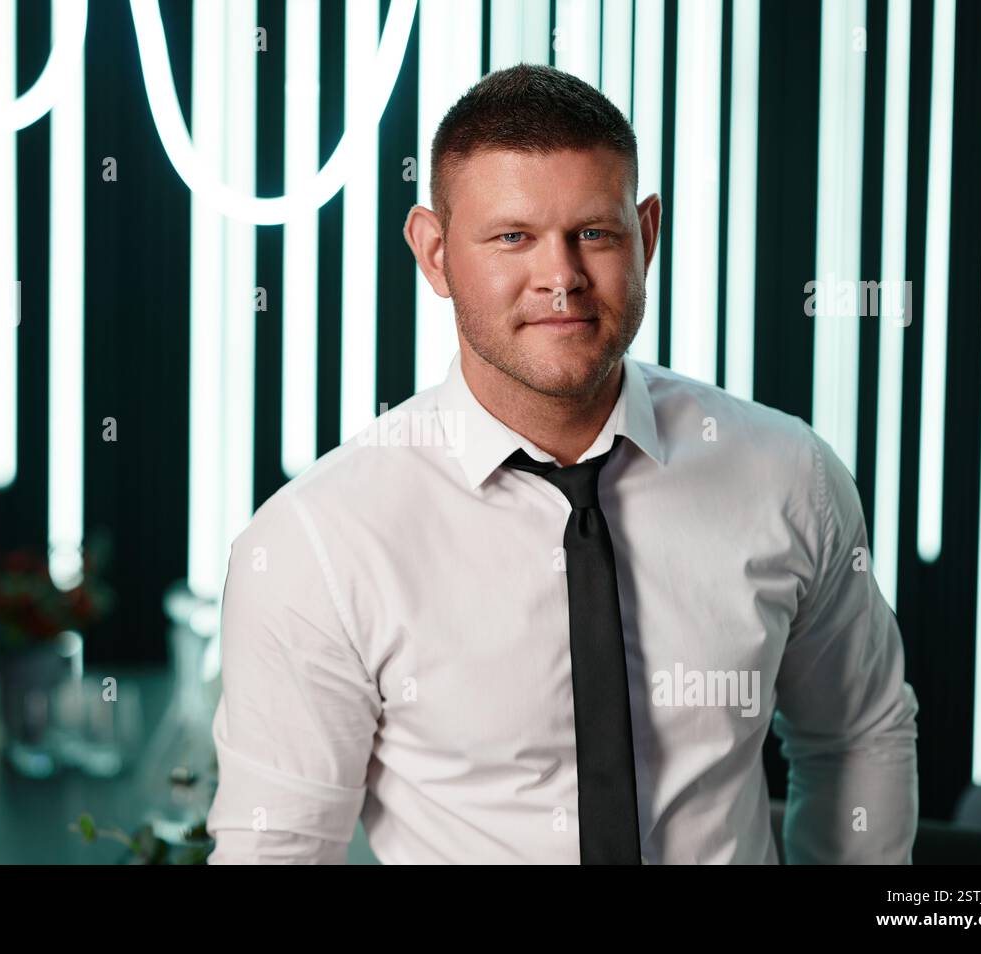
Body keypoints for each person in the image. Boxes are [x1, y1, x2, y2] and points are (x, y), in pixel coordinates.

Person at [205, 63, 918, 864]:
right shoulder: (318, 543)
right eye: (513, 237)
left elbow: (858, 733)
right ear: (434, 253)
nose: (562, 279)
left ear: (647, 235)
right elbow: (279, 851)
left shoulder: (787, 475)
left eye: (594, 233)